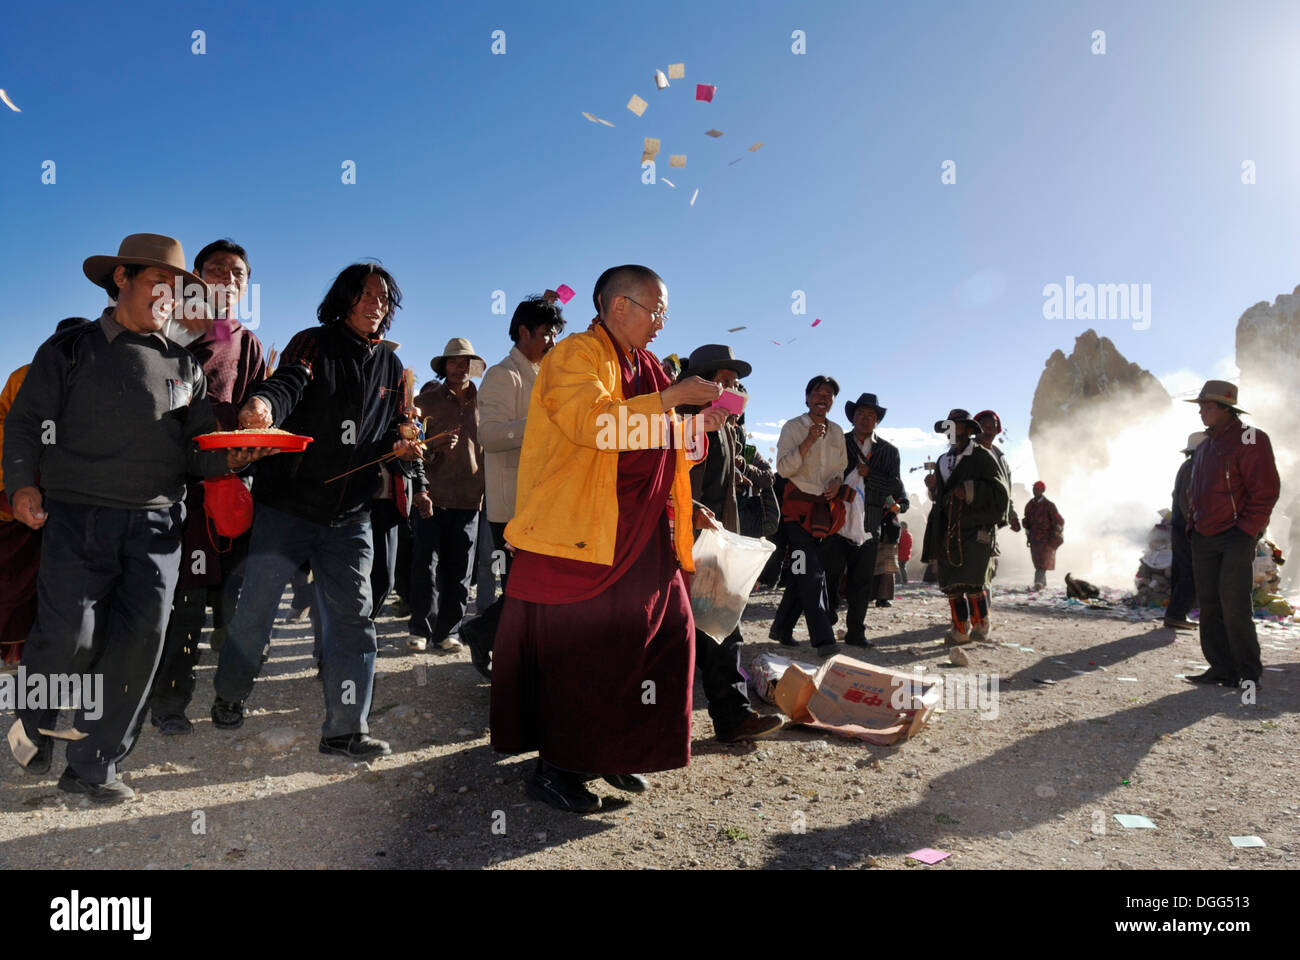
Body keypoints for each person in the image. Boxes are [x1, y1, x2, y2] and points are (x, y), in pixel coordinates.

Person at [3, 234, 269, 802]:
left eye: (180, 291)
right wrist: (22, 483)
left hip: (156, 526)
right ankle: (35, 713)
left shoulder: (184, 365)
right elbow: (25, 422)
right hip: (77, 517)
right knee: (71, 636)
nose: (171, 298)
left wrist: (237, 454)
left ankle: (94, 765)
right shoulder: (70, 349)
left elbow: (197, 449)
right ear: (121, 278)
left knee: (140, 643)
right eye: (159, 283)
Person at [490, 264, 725, 813]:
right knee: (589, 653)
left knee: (666, 636)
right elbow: (598, 426)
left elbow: (656, 441)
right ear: (619, 306)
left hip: (641, 530)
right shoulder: (576, 354)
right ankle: (561, 767)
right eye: (656, 310)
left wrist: (697, 427)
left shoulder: (647, 365)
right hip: (585, 528)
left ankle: (619, 748)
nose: (661, 323)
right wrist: (671, 404)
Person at [210, 262, 428, 761]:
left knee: (353, 619)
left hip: (351, 515)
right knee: (257, 609)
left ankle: (345, 729)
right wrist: (263, 406)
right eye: (367, 294)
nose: (377, 304)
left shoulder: (393, 369)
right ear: (344, 298)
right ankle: (230, 692)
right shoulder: (312, 342)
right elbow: (288, 383)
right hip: (286, 506)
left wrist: (404, 442)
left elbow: (397, 424)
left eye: (384, 298)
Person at [146, 239, 267, 735]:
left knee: (236, 600)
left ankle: (230, 697)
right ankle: (169, 702)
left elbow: (261, 407)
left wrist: (252, 441)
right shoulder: (161, 330)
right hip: (169, 488)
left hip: (228, 487)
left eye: (236, 271)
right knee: (181, 601)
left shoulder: (248, 343)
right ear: (193, 278)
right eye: (214, 268)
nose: (226, 277)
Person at [681, 344, 783, 742]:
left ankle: (733, 716)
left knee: (722, 626)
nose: (731, 388)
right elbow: (665, 474)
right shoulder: (685, 418)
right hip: (685, 539)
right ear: (700, 381)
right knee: (701, 629)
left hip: (713, 540)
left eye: (734, 382)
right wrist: (689, 507)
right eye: (723, 381)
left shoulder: (722, 423)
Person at [460, 295, 566, 677]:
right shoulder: (503, 375)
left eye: (555, 333)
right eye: (546, 333)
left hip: (547, 502)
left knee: (541, 588)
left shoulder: (547, 375)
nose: (552, 341)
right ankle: (489, 637)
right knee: (523, 589)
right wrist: (546, 424)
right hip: (513, 507)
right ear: (523, 332)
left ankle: (491, 637)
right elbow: (489, 435)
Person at [0, 319, 88, 666]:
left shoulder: (94, 378)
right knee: (13, 576)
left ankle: (41, 651)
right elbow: (8, 423)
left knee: (53, 578)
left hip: (69, 490)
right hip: (20, 488)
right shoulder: (27, 374)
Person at [1183, 381, 1279, 690]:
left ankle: (1249, 672)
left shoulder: (1251, 439)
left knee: (1234, 604)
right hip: (1203, 536)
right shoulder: (1206, 446)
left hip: (1234, 535)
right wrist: (1192, 526)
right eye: (1200, 406)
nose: (1201, 411)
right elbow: (1194, 492)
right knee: (1209, 604)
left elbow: (1265, 491)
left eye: (1207, 406)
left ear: (1227, 408)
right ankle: (1221, 668)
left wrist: (1246, 531)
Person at [408, 338, 485, 653]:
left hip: (470, 496)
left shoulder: (486, 402)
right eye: (453, 361)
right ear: (444, 366)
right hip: (431, 495)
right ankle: (419, 630)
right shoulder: (424, 402)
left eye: (465, 362)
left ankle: (448, 631)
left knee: (460, 569)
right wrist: (433, 449)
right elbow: (412, 451)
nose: (459, 367)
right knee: (424, 565)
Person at [769, 376, 853, 657]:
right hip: (797, 512)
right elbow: (783, 469)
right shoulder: (793, 427)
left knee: (801, 572)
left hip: (826, 513)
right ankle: (824, 639)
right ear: (807, 398)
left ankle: (781, 628)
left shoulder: (838, 432)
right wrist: (807, 442)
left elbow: (841, 467)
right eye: (818, 393)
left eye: (829, 395)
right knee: (809, 570)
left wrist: (836, 483)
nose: (823, 398)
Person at [921, 408, 1009, 664]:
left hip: (975, 528)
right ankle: (960, 629)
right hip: (947, 529)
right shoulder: (942, 461)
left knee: (973, 580)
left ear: (969, 430)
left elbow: (999, 491)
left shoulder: (982, 457)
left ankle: (981, 624)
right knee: (952, 583)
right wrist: (934, 488)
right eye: (950, 427)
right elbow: (939, 498)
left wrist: (968, 490)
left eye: (958, 427)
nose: (953, 431)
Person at [825, 392, 899, 645]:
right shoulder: (838, 442)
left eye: (871, 415)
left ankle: (856, 632)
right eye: (861, 414)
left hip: (869, 525)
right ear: (853, 417)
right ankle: (827, 623)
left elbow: (894, 485)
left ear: (877, 420)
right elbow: (824, 472)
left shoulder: (889, 451)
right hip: (836, 521)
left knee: (862, 582)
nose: (866, 419)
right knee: (830, 576)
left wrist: (870, 474)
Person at [973, 410, 1019, 636]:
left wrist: (1012, 514)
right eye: (984, 425)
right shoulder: (965, 452)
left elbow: (1006, 490)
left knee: (985, 568)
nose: (989, 429)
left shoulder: (1001, 458)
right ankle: (964, 618)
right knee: (965, 570)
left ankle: (982, 618)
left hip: (989, 522)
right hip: (965, 518)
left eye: (993, 426)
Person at [1165, 432, 1204, 630]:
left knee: (1181, 571)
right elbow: (1187, 499)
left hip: (1180, 526)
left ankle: (1175, 613)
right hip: (1187, 528)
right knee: (1192, 573)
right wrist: (1195, 525)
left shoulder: (1187, 466)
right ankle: (1176, 614)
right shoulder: (1194, 468)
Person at [1022, 480, 1065, 591]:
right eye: (1034, 488)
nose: (1034, 490)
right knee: (1038, 563)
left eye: (1037, 488)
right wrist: (1028, 535)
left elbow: (1059, 521)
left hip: (1046, 540)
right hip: (1034, 540)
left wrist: (1056, 533)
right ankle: (1043, 585)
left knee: (1042, 562)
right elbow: (1026, 522)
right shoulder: (1030, 505)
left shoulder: (1049, 505)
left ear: (1042, 490)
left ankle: (1038, 583)